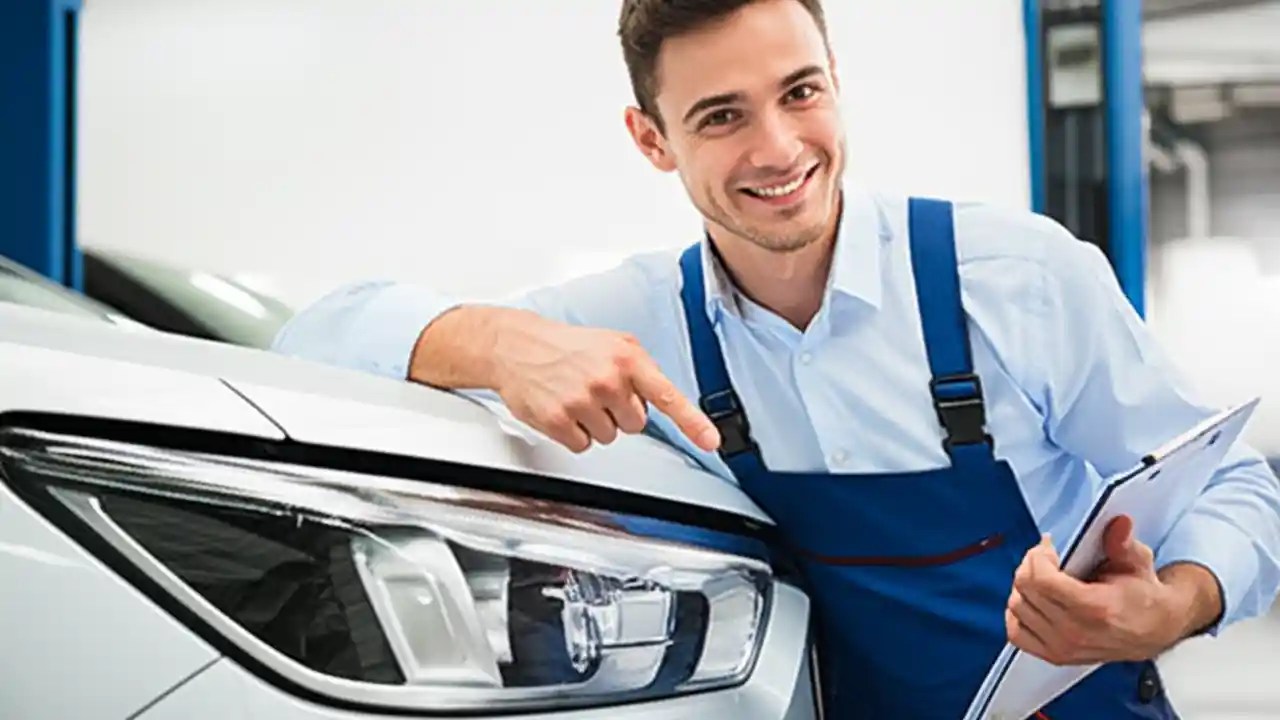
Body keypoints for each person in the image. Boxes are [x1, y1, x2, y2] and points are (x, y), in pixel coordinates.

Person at [272, 0, 1280, 716]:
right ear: (649, 138)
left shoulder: (1016, 276)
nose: (776, 147)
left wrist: (1171, 604)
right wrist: (493, 341)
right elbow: (311, 338)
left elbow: (1239, 484)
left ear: (836, 87)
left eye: (798, 92)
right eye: (720, 116)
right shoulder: (636, 320)